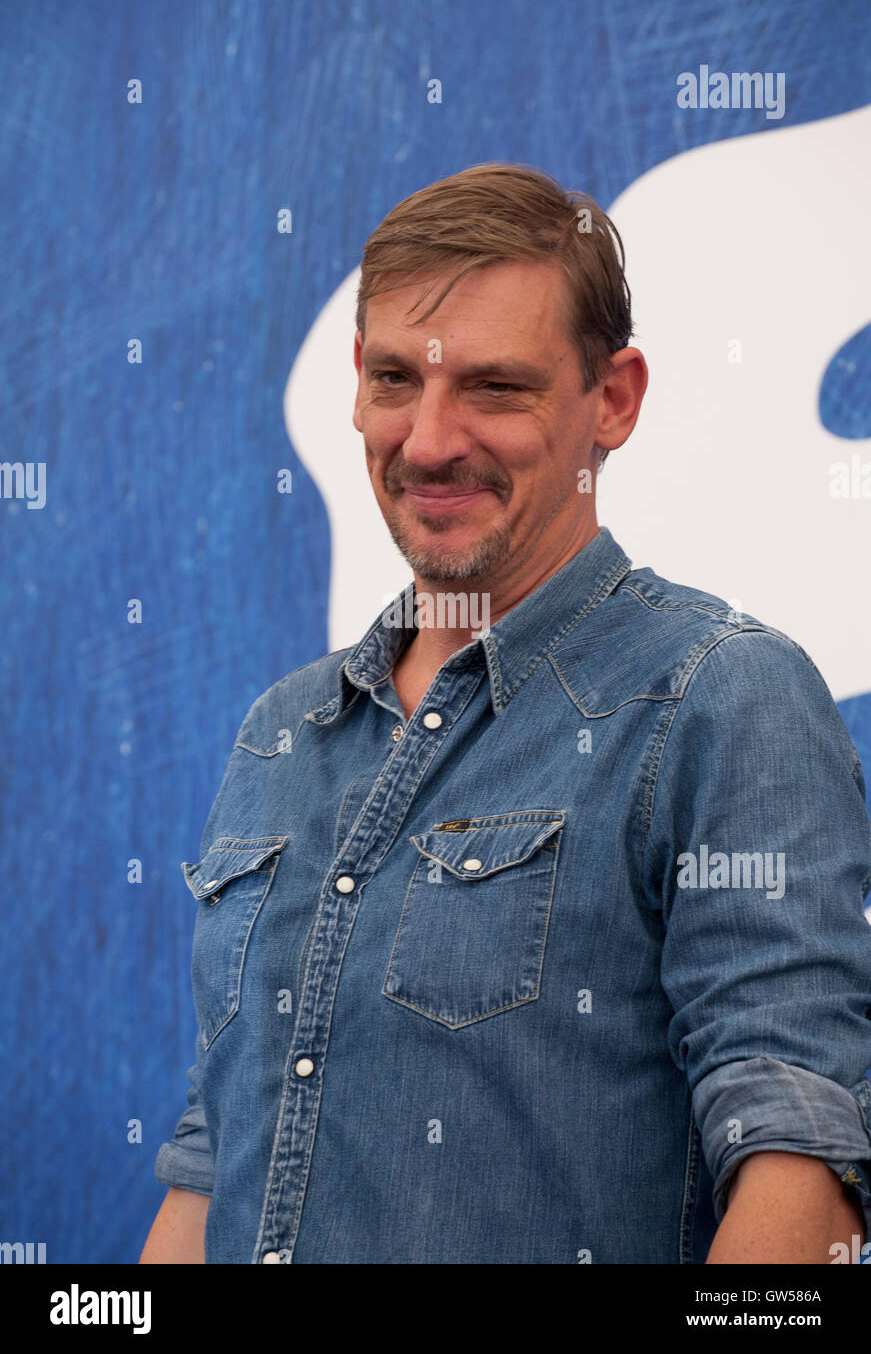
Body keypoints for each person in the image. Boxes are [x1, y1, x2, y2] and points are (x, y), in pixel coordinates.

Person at [141, 162, 871, 1264]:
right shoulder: (284, 730)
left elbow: (800, 1161)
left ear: (613, 399)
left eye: (493, 387)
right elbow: (216, 1158)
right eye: (396, 378)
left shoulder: (721, 696)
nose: (429, 440)